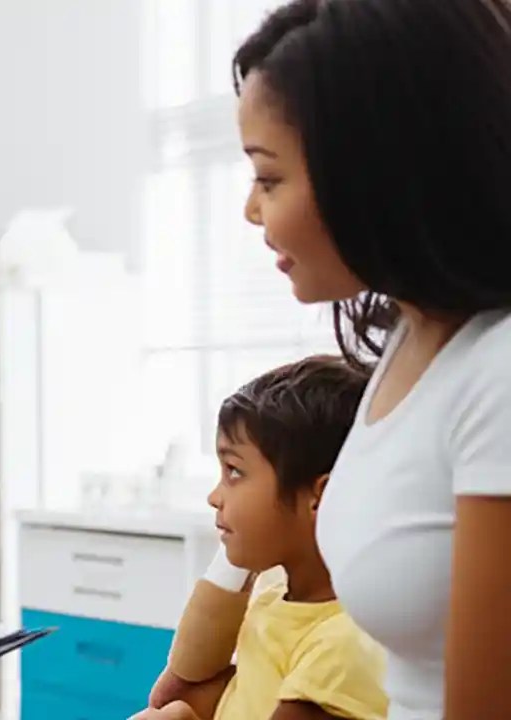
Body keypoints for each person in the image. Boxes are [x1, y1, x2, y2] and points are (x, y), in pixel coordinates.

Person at [159, 0, 511, 717]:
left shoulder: (497, 375)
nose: (251, 212)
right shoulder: (407, 348)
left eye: (269, 177)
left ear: (375, 172)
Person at [133, 356, 387, 720]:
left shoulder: (343, 647)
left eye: (234, 471)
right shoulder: (273, 599)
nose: (214, 496)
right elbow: (173, 692)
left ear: (323, 497)